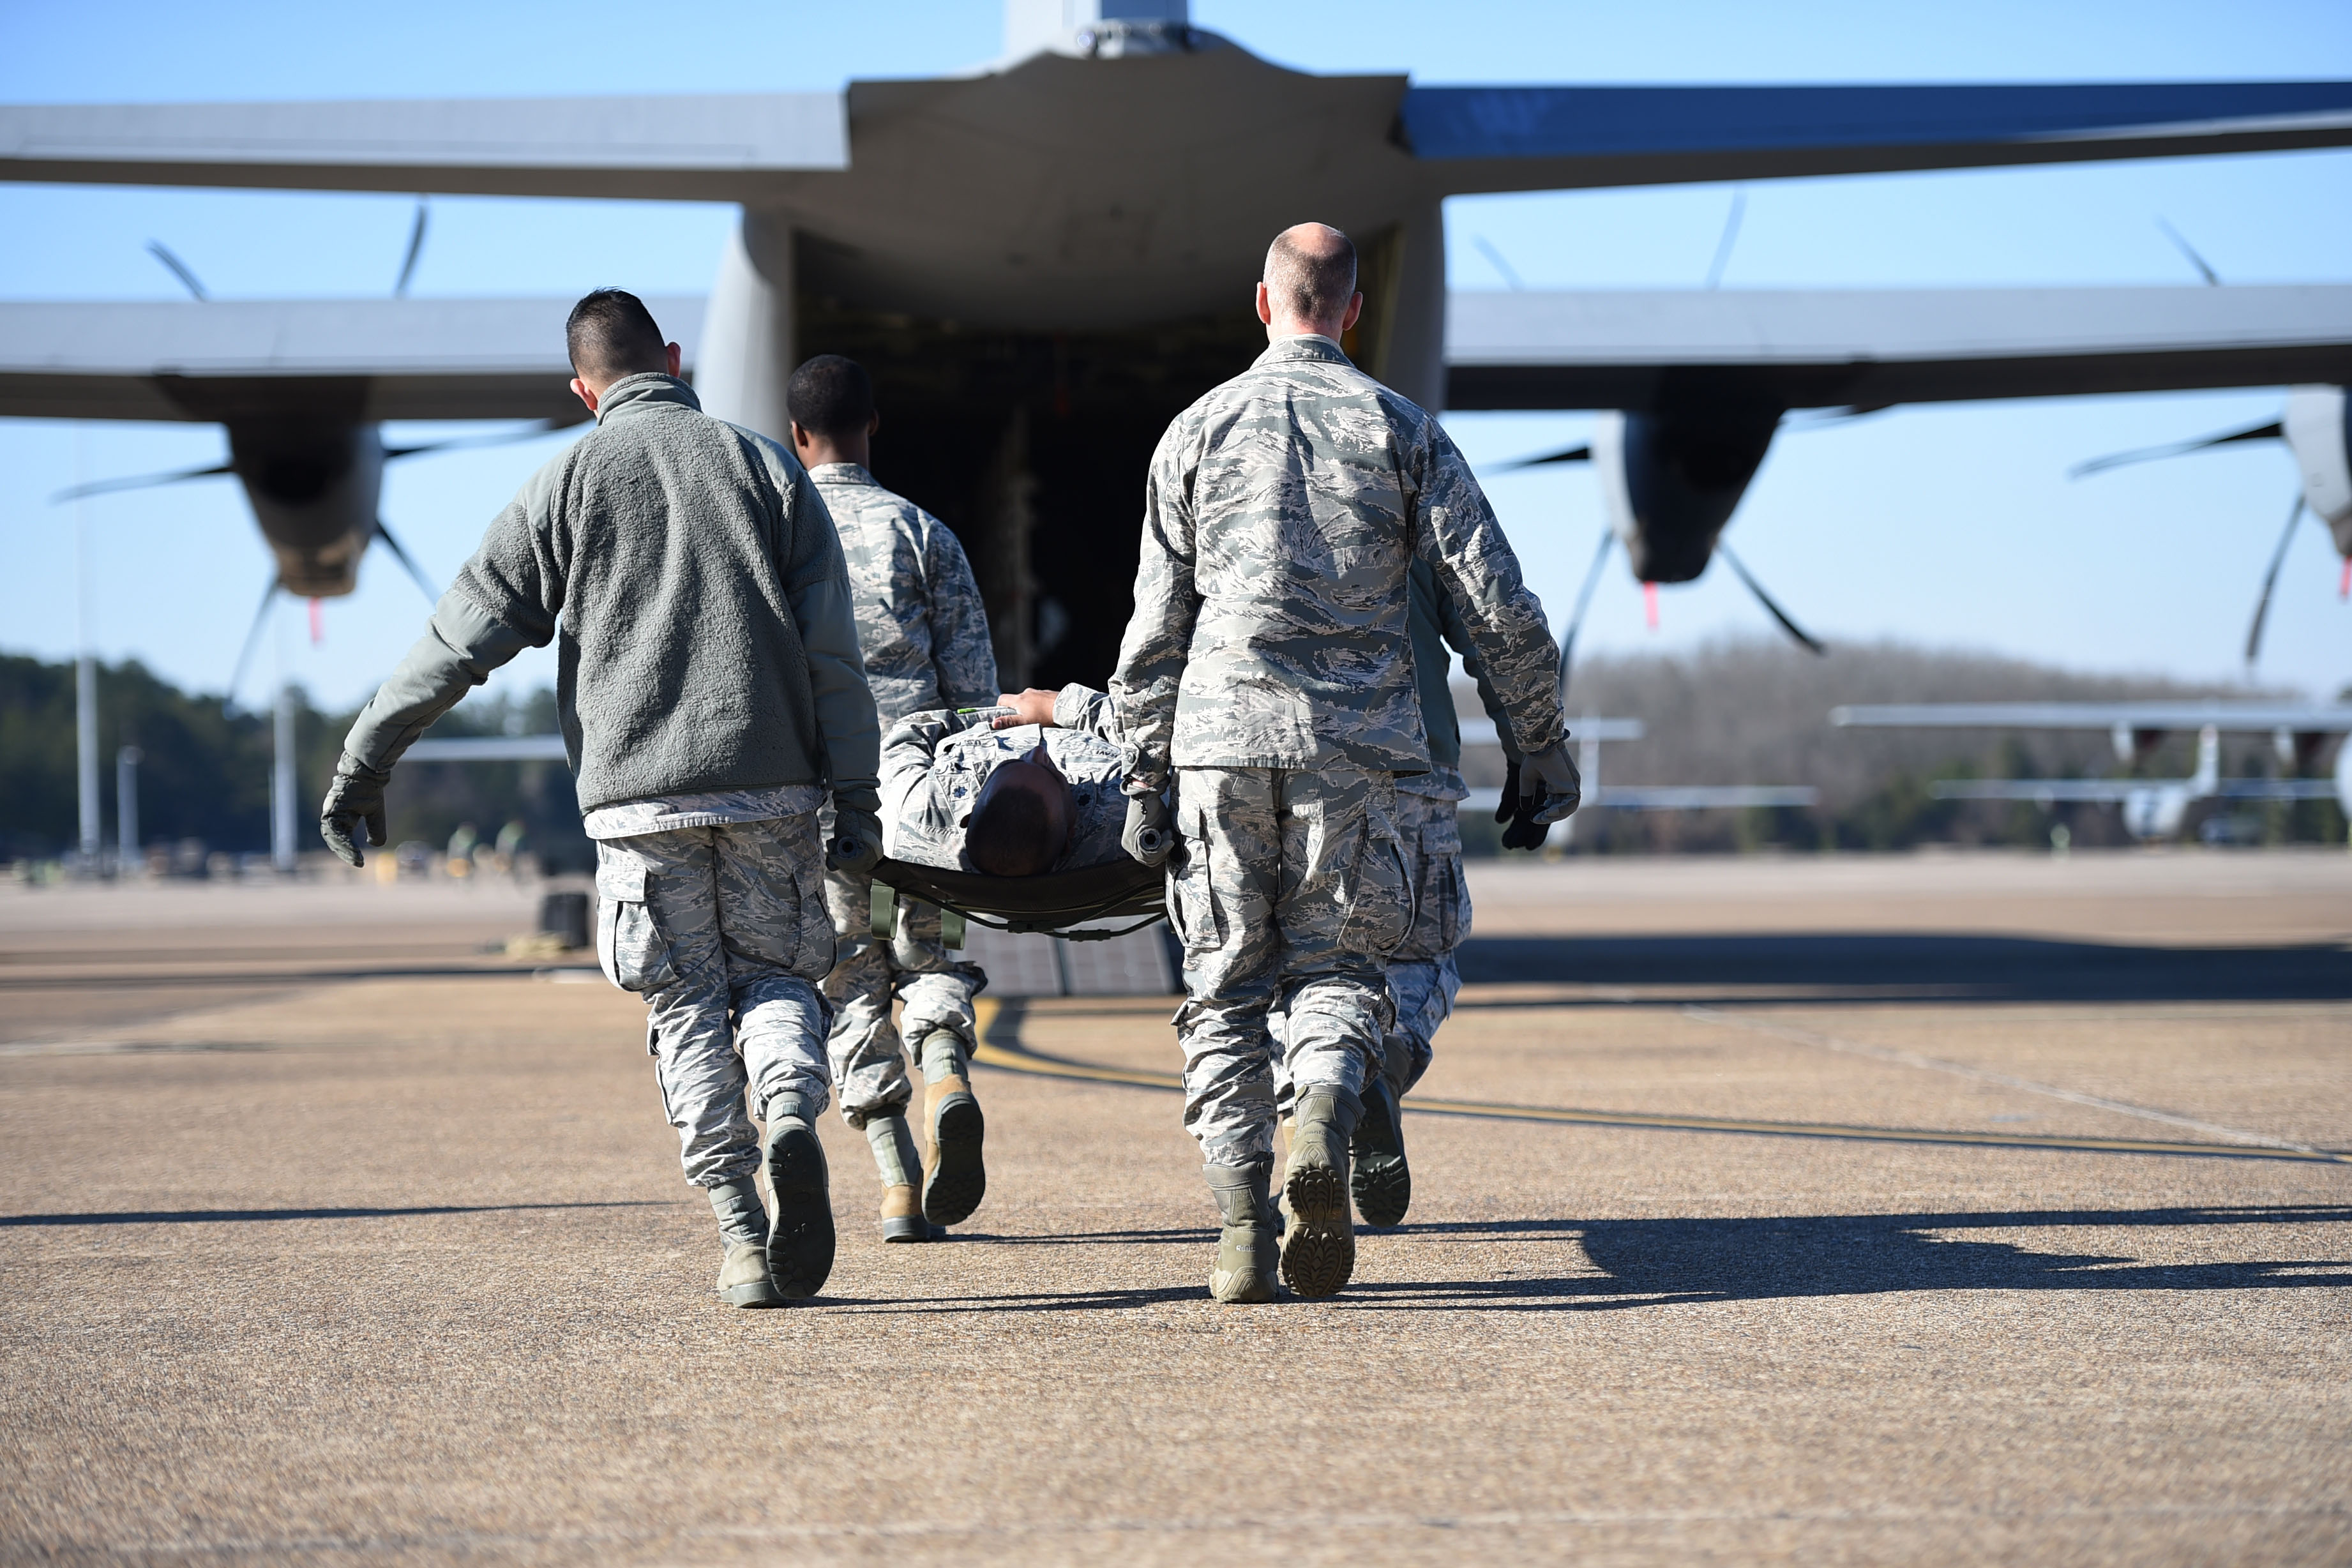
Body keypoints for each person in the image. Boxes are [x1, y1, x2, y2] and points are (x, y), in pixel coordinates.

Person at [320, 290, 881, 1311]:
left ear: (583, 391)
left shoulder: (563, 484)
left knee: (682, 1006)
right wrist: (858, 796)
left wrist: (366, 759)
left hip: (638, 804)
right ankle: (795, 1112)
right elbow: (834, 659)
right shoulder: (766, 467)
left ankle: (743, 1235)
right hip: (772, 790)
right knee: (775, 983)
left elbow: (457, 647)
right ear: (673, 357)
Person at [1109, 223, 1580, 1304]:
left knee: (1224, 989)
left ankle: (1239, 1234)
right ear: (1354, 310)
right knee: (1337, 970)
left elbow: (1153, 633)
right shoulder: (1402, 430)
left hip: (1221, 747)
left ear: (1263, 302)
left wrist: (1144, 776)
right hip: (1358, 752)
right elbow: (1495, 607)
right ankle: (1321, 1112)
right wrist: (1537, 739)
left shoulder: (1193, 432)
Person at [787, 354, 1001, 1242]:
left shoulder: (776, 543)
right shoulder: (926, 535)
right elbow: (976, 694)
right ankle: (947, 1073)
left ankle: (895, 1179)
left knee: (847, 982)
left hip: (823, 816)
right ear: (874, 427)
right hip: (922, 816)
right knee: (935, 957)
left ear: (795, 437)